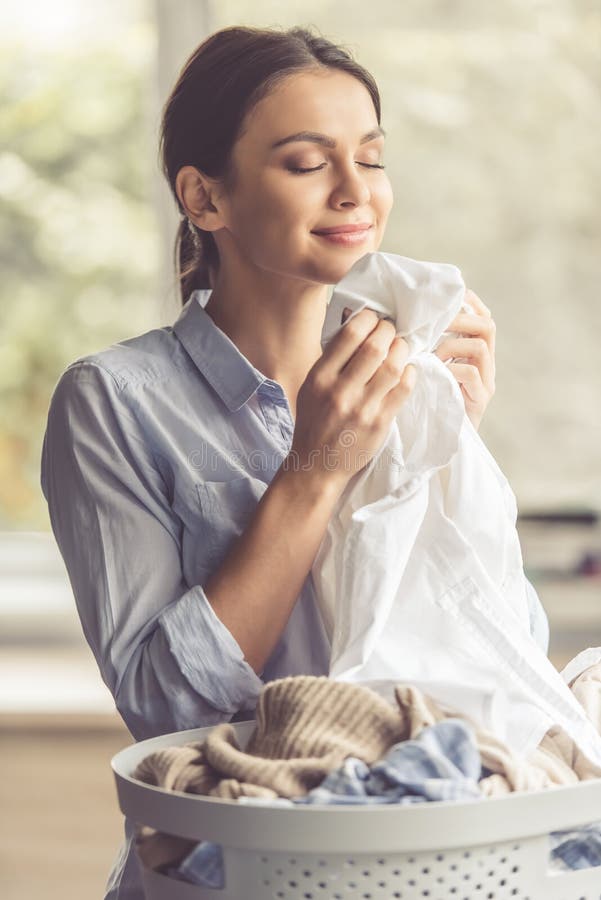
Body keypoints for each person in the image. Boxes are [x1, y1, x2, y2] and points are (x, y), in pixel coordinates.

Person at [40, 24, 546, 900]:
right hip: (231, 878)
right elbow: (169, 710)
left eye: (372, 158)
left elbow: (495, 662)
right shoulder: (113, 401)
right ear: (205, 198)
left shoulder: (398, 381)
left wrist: (440, 451)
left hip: (424, 866)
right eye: (308, 163)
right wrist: (313, 469)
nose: (356, 191)